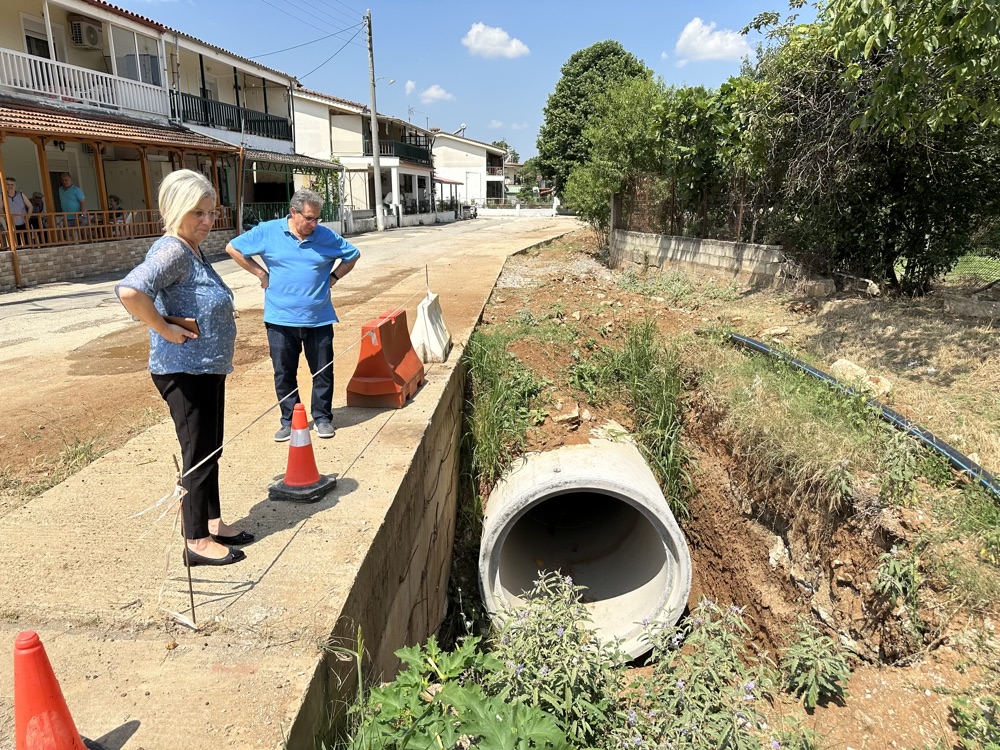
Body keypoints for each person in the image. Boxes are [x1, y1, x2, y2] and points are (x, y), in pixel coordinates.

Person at [116, 169, 251, 567]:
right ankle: (195, 540)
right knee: (198, 453)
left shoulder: (192, 247)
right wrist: (161, 328)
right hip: (184, 372)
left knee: (211, 449)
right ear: (176, 211)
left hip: (205, 368)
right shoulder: (172, 250)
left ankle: (212, 520)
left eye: (212, 212)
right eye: (199, 213)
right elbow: (130, 290)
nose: (208, 222)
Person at [226, 188, 360, 442]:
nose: (313, 224)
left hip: (318, 318)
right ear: (293, 212)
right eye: (308, 218)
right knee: (284, 372)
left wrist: (333, 277)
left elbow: (352, 255)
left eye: (316, 219)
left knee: (322, 371)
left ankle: (322, 418)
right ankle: (290, 419)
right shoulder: (268, 231)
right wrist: (260, 273)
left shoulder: (326, 236)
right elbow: (233, 248)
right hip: (280, 319)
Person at [3, 177, 32, 246]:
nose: (10, 186)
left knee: (27, 242)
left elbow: (30, 206)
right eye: (8, 184)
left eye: (12, 184)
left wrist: (28, 216)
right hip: (11, 224)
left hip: (23, 222)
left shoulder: (21, 194)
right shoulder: (2, 196)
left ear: (15, 186)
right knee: (15, 244)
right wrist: (6, 218)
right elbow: (0, 208)